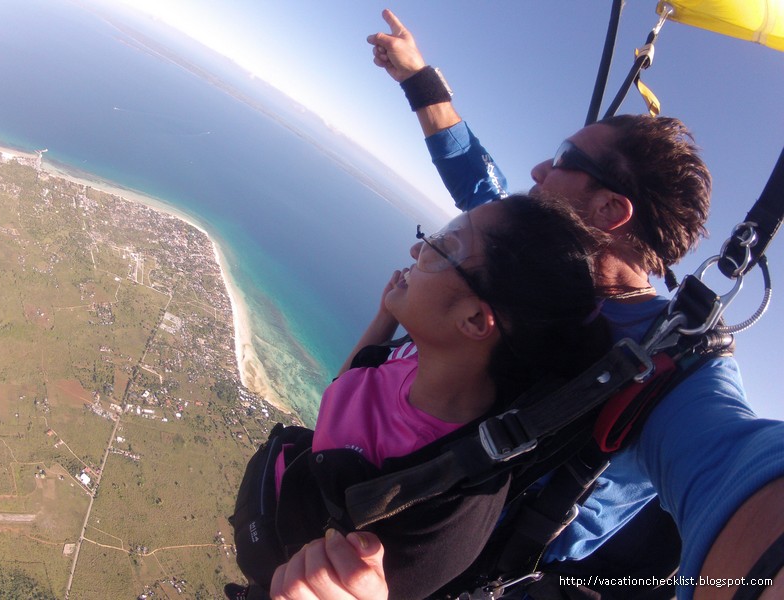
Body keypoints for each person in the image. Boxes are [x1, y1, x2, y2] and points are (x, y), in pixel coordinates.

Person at [266, 9, 784, 600]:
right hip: (363, 499)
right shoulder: (536, 261)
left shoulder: (672, 366)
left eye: (565, 157)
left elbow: (733, 462)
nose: (539, 168)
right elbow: (481, 188)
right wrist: (419, 79)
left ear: (611, 213)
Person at [229, 195, 612, 600]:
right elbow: (349, 392)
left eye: (443, 248)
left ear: (474, 320)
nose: (417, 249)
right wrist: (385, 315)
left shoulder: (444, 496)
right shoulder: (420, 354)